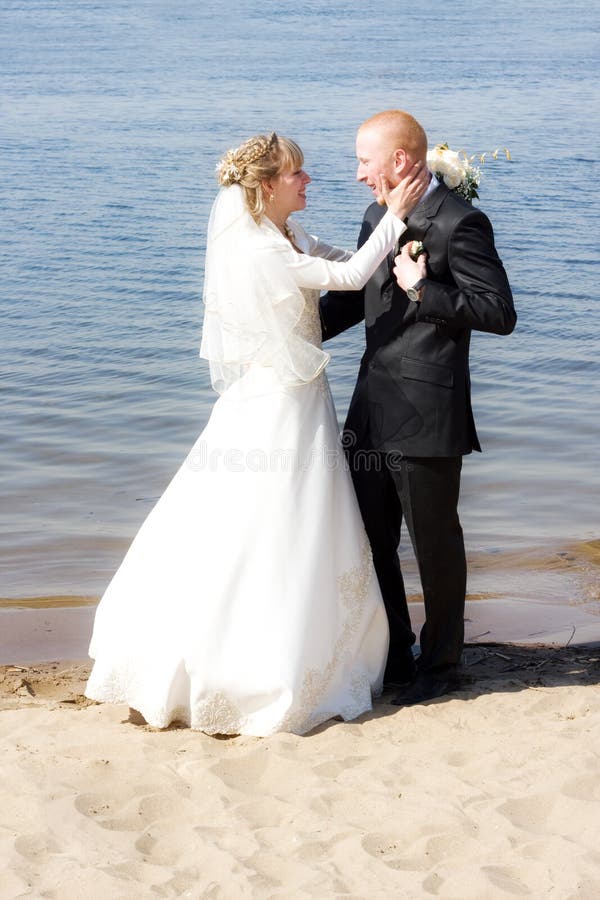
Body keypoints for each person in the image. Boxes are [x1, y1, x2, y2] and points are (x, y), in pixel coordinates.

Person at [85, 132, 429, 736]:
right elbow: (348, 275)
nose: (308, 181)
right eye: (297, 174)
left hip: (298, 395)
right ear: (267, 185)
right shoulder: (256, 249)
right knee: (268, 516)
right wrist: (396, 214)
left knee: (301, 515)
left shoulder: (283, 234)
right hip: (275, 401)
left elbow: (344, 257)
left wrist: (395, 229)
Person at [319, 110, 516, 706]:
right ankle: (397, 654)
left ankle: (443, 665)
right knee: (368, 535)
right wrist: (293, 332)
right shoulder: (378, 216)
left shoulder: (460, 222)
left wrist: (422, 289)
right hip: (370, 408)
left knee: (434, 544)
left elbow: (499, 313)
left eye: (364, 160)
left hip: (427, 410)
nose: (358, 175)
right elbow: (359, 299)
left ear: (401, 160)